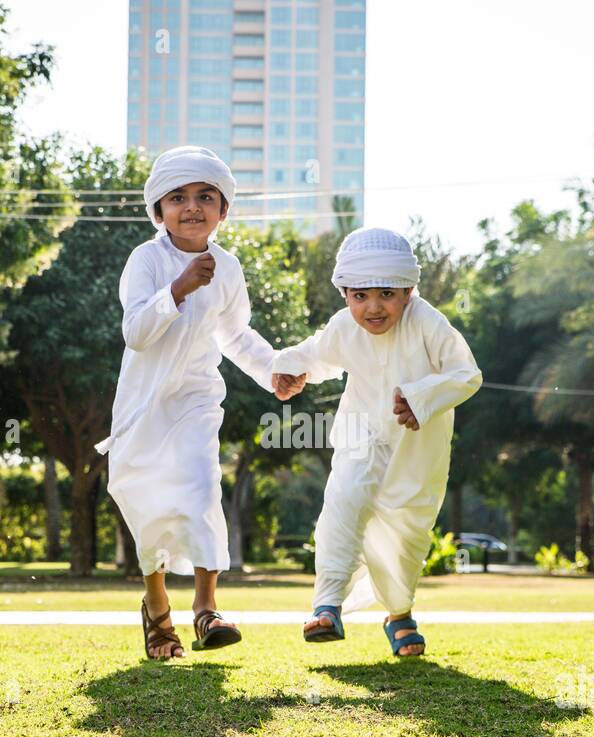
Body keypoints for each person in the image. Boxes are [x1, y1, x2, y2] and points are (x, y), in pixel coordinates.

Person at [97, 146, 305, 659]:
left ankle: (207, 609)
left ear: (223, 210)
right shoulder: (146, 260)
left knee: (200, 487)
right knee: (149, 503)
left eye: (205, 196)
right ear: (158, 210)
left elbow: (236, 335)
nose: (192, 206)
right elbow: (136, 332)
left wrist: (271, 369)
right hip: (144, 405)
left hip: (196, 398)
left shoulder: (228, 267)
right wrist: (179, 288)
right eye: (178, 197)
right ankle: (157, 609)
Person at [270, 227, 482, 657]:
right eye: (360, 295)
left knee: (406, 533)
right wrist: (291, 367)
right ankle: (327, 605)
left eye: (386, 293)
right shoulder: (343, 326)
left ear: (408, 291)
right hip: (360, 433)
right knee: (345, 497)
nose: (373, 307)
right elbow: (317, 352)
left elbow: (467, 374)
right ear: (345, 293)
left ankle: (399, 614)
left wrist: (421, 399)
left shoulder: (428, 323)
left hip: (417, 449)